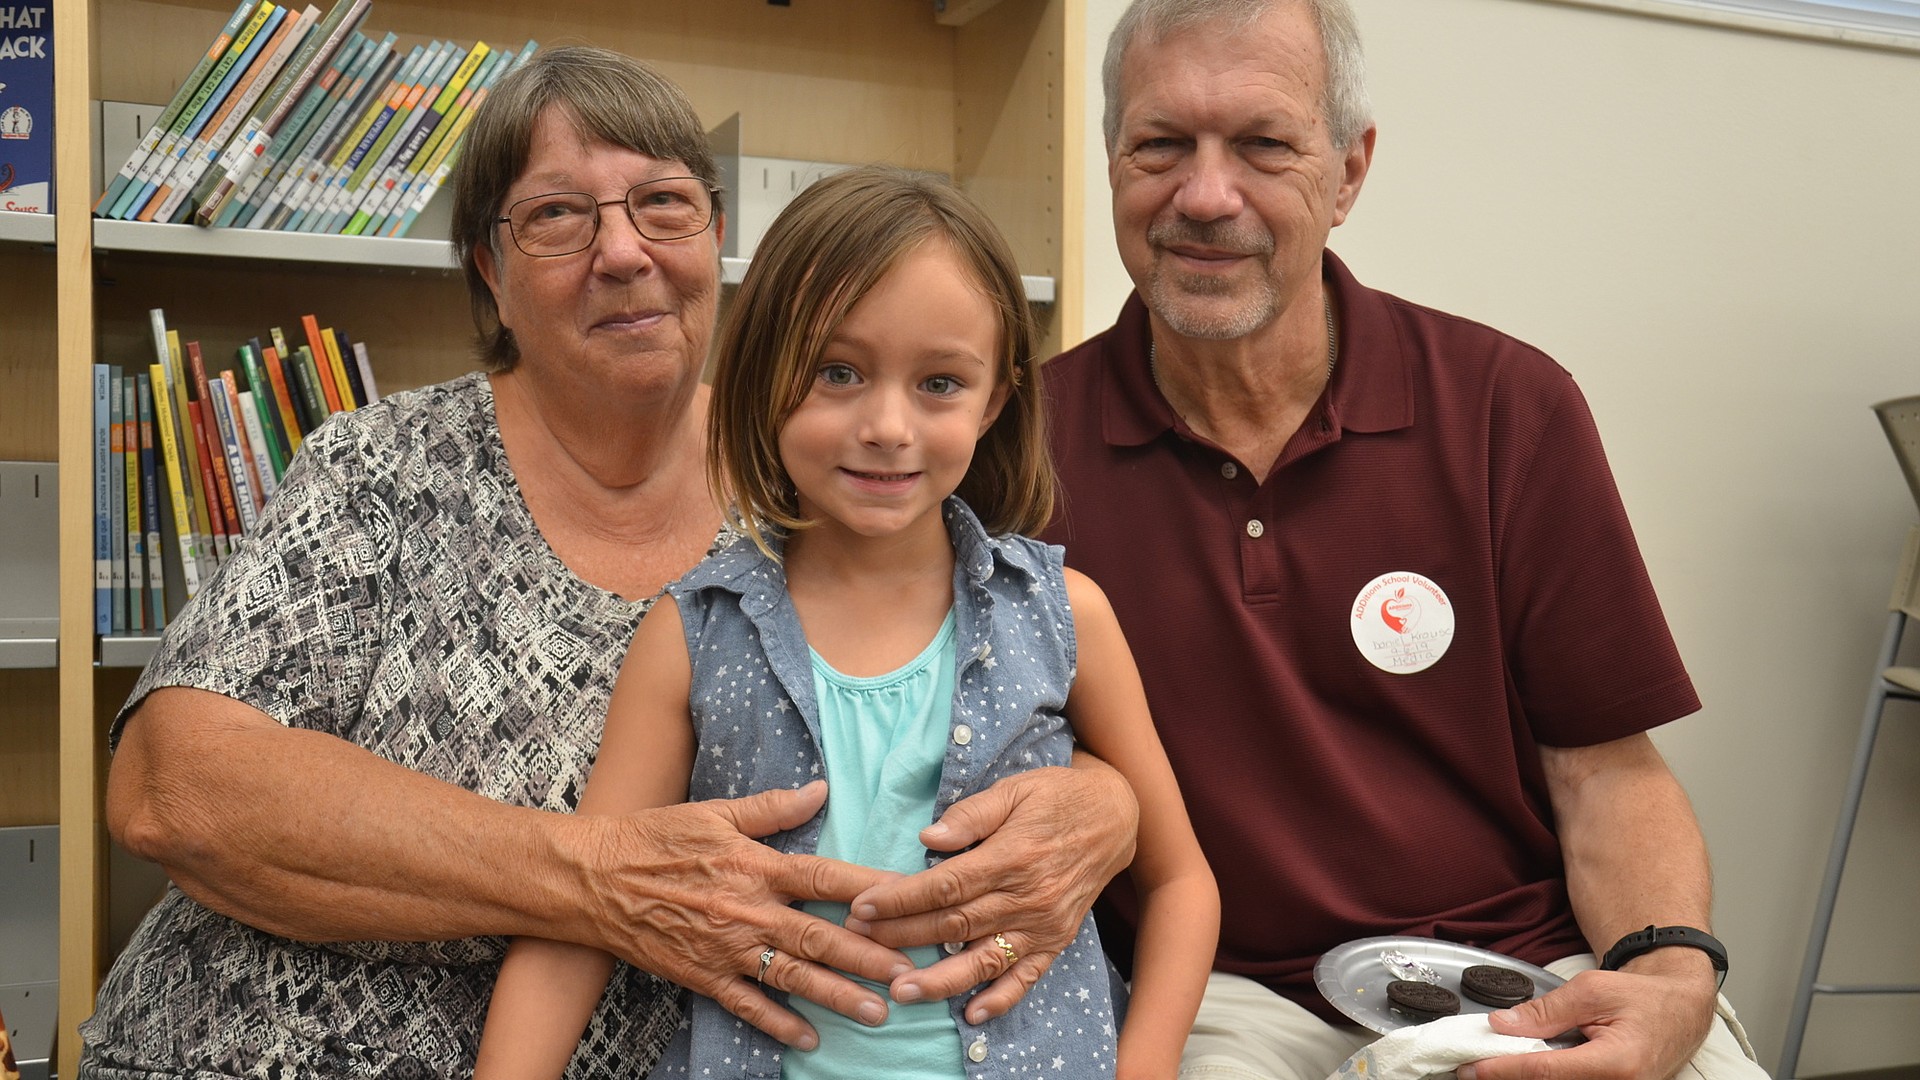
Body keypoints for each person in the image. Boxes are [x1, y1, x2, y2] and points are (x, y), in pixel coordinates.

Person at [78, 47, 1138, 1079]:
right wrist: (591, 878)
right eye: (556, 216)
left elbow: (999, 665)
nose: (624, 252)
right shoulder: (381, 469)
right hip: (250, 1044)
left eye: (664, 204)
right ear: (489, 274)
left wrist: (1109, 802)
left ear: (716, 238)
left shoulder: (828, 482)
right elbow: (174, 789)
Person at [1041, 1, 1771, 1079]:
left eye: (1262, 144)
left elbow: (1607, 773)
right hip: (1217, 994)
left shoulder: (1507, 409)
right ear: (1110, 162)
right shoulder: (1017, 450)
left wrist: (1670, 975)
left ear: (1347, 173)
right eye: (1160, 145)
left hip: (1522, 970)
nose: (1204, 195)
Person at [473, 164, 1218, 1080]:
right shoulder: (690, 636)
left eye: (940, 382)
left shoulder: (1067, 616)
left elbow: (1181, 882)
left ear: (995, 398)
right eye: (838, 372)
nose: (888, 425)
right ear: (765, 377)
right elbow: (581, 924)